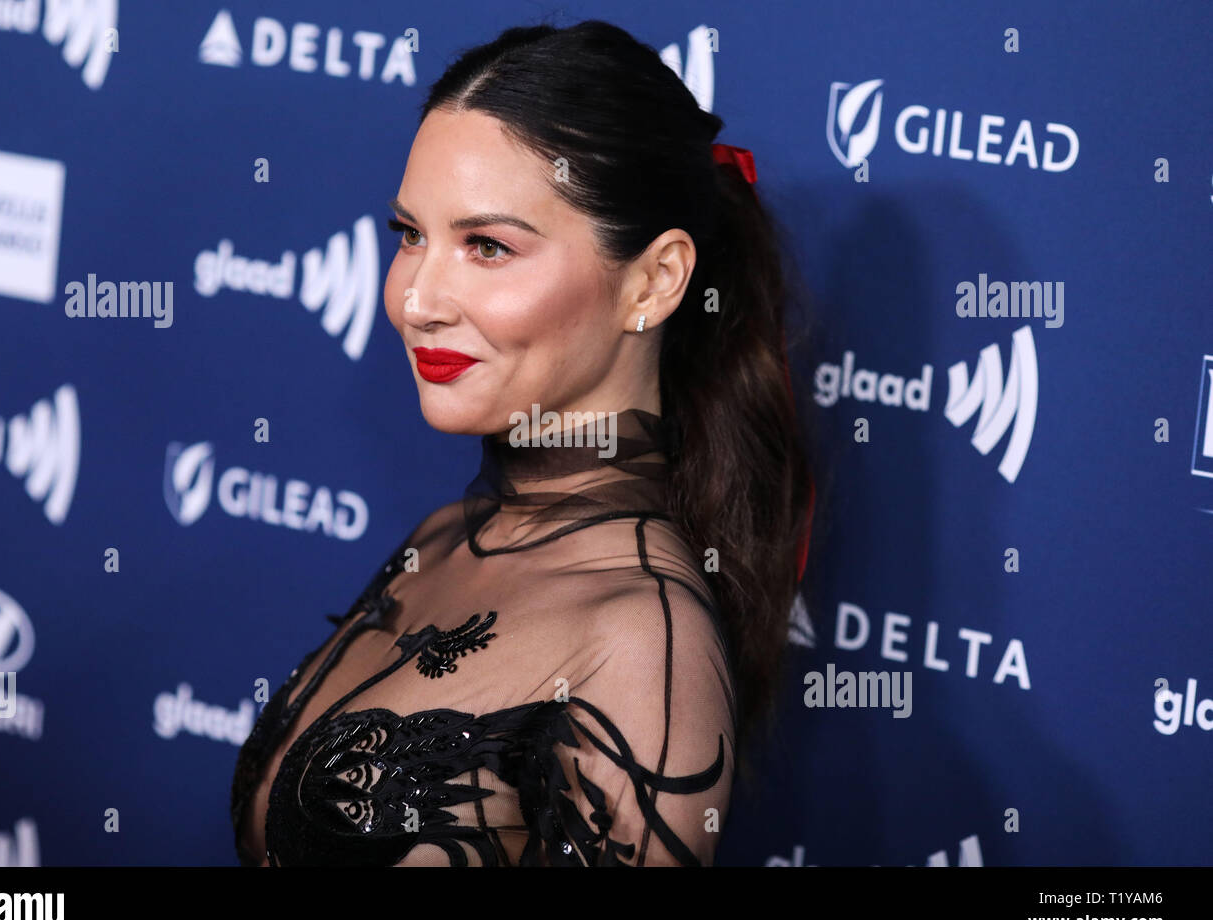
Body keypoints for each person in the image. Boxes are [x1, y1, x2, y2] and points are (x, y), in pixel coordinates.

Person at [230, 18, 815, 867]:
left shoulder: (642, 639)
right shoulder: (442, 537)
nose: (417, 298)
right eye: (410, 235)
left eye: (488, 246)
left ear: (654, 280)